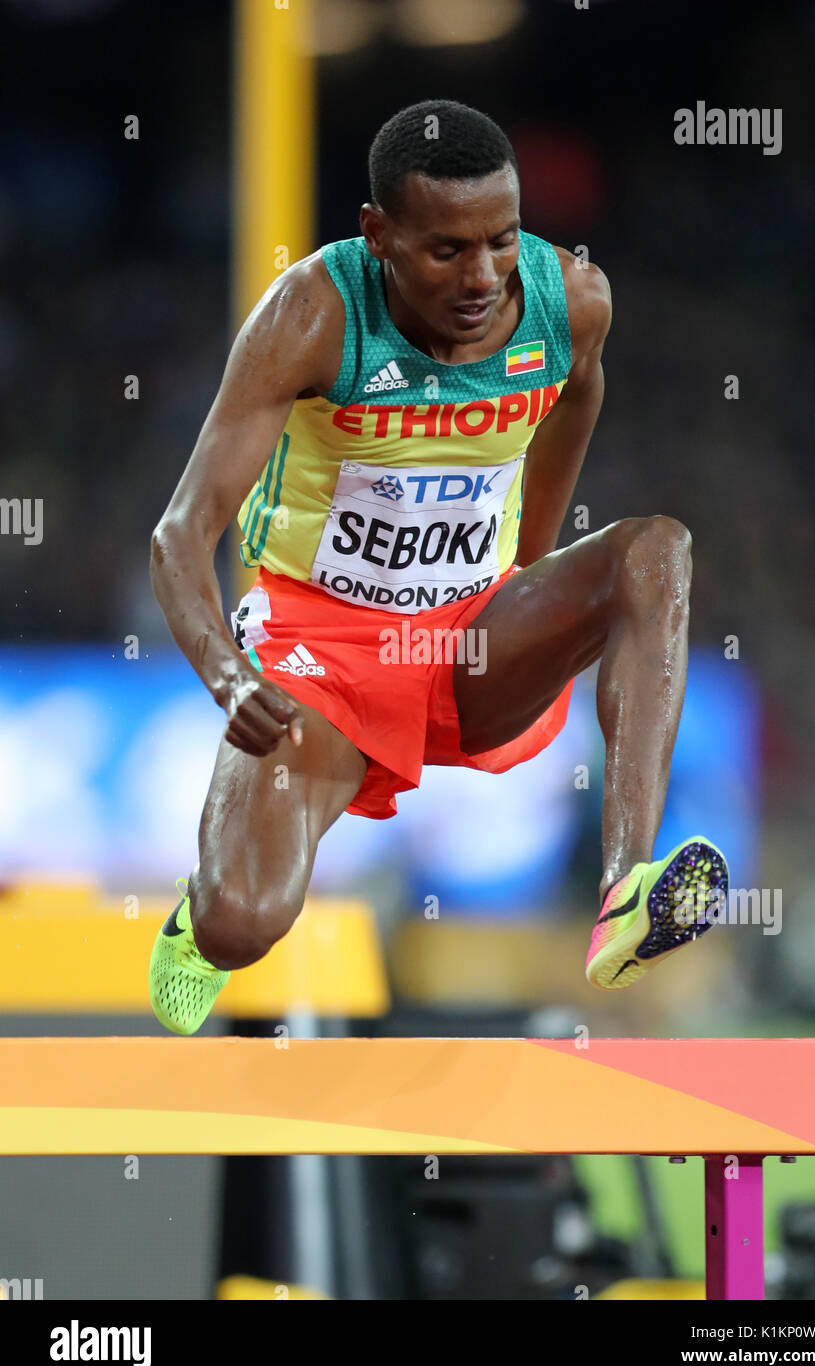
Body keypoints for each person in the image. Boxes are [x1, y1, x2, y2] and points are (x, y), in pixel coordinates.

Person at [148, 100, 727, 1035]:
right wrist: (224, 675)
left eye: (501, 239)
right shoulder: (312, 315)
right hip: (322, 646)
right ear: (378, 233)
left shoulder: (570, 300)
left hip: (470, 633)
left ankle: (626, 892)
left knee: (658, 549)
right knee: (242, 923)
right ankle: (197, 925)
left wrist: (528, 575)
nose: (481, 276)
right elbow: (180, 531)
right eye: (446, 250)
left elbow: (575, 397)